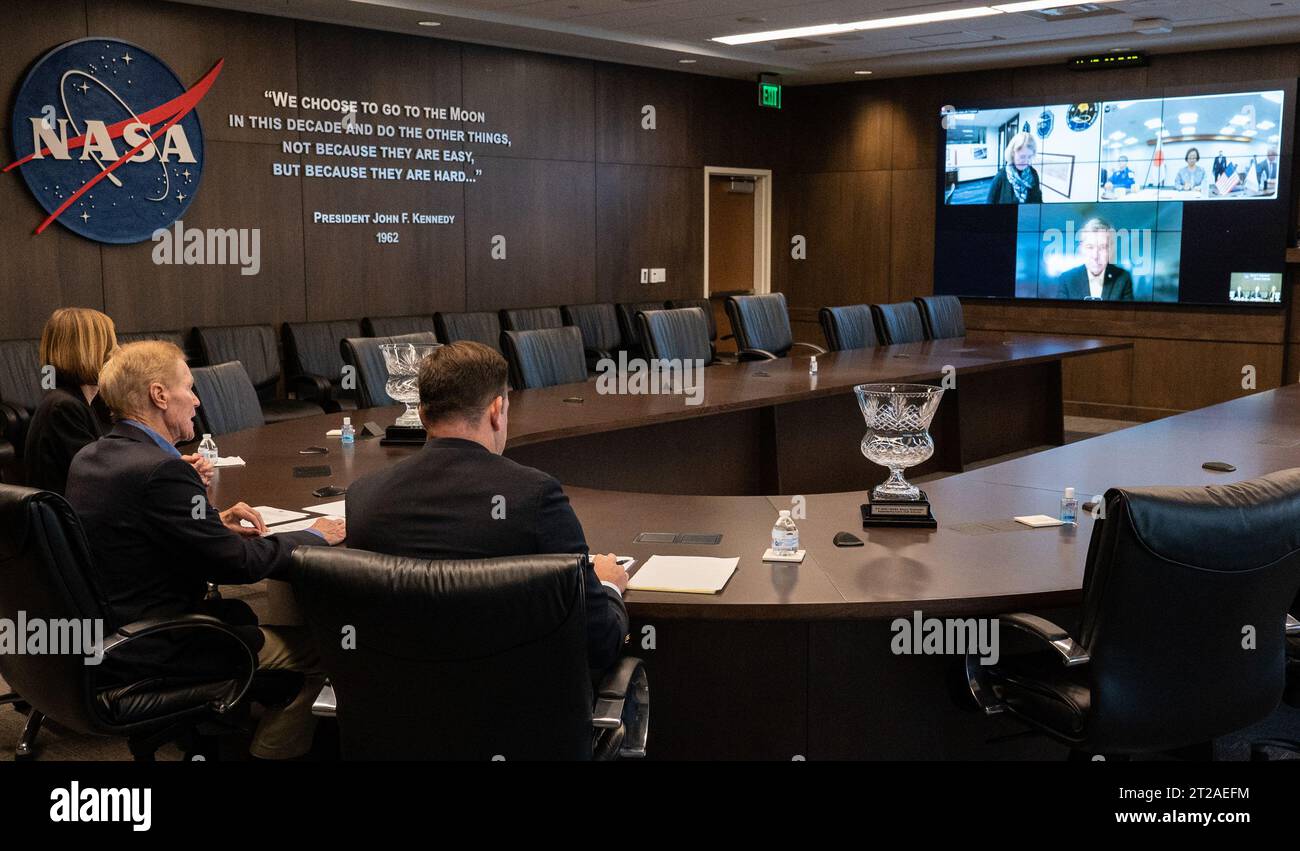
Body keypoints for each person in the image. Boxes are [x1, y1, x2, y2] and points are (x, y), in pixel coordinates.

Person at [65, 341, 346, 760]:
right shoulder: (160, 471)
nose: (197, 400)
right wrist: (315, 534)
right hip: (159, 645)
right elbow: (239, 565)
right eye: (190, 388)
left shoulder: (91, 457)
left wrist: (212, 522)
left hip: (107, 635)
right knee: (329, 653)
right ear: (159, 396)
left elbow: (142, 537)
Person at [346, 341, 630, 672]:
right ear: (497, 411)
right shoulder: (536, 497)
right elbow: (599, 644)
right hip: (520, 717)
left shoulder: (363, 496)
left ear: (422, 414)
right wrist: (608, 585)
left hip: (394, 715)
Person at [1055, 218, 1134, 301]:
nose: (1095, 256)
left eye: (1102, 247)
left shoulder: (1123, 278)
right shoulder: (1067, 279)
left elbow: (1127, 313)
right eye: (1090, 247)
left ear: (1111, 250)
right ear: (1081, 249)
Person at [986, 131, 1042, 204]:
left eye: (1029, 157)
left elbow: (1038, 202)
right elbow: (989, 203)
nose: (1026, 161)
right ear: (1013, 153)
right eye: (1022, 157)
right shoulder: (1001, 176)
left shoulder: (1033, 174)